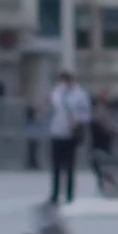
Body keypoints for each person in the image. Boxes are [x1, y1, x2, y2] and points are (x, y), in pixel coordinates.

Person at [47, 71, 91, 204]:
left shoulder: (80, 95)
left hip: (71, 134)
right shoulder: (56, 93)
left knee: (70, 166)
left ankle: (69, 194)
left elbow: (86, 114)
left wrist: (77, 120)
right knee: (56, 166)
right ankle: (55, 194)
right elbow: (51, 110)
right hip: (56, 132)